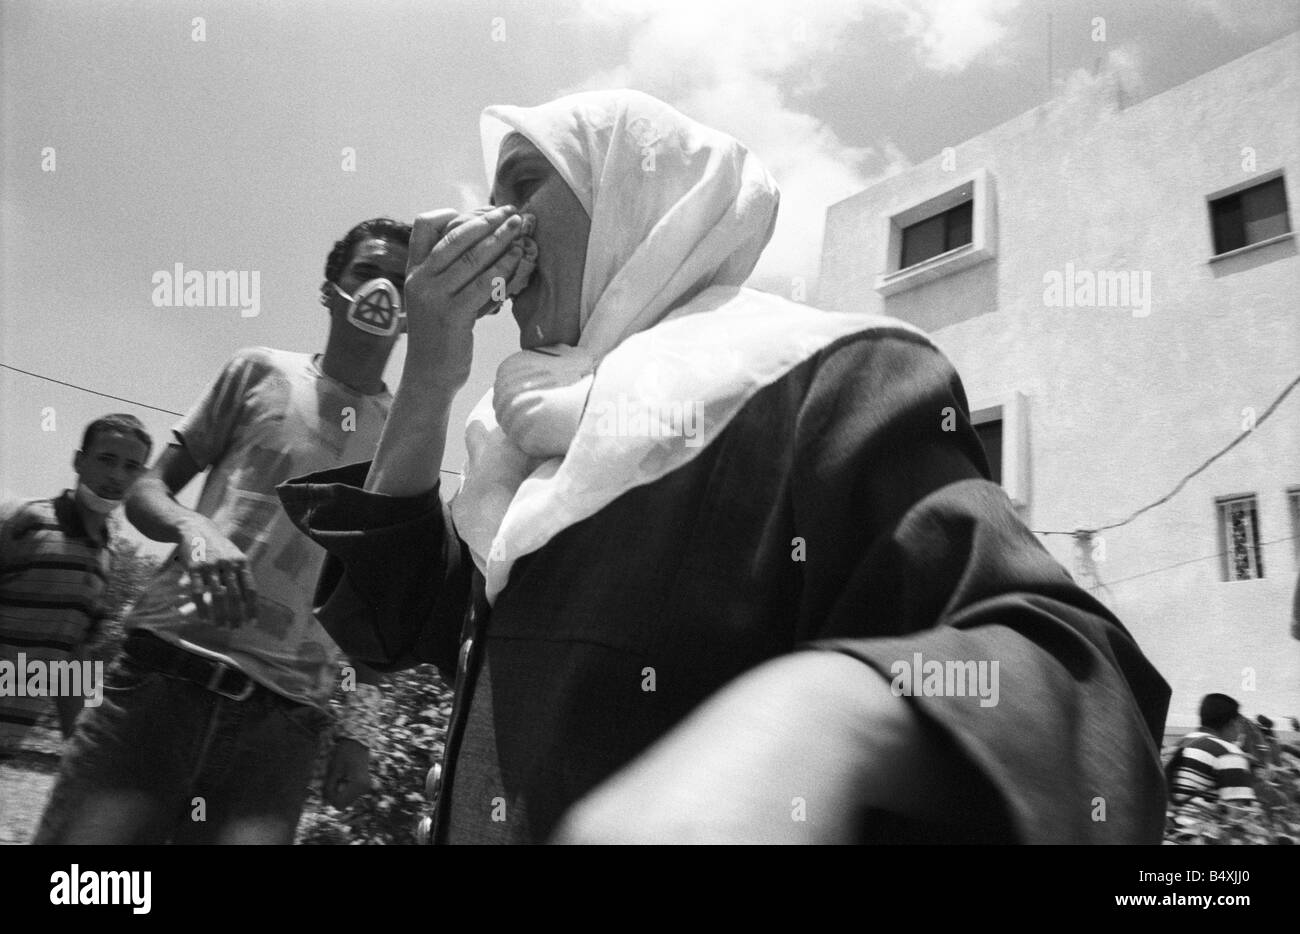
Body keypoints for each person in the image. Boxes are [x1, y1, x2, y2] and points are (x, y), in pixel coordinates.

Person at [279, 91, 1171, 844]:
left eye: (524, 183)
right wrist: (431, 378)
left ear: (636, 198)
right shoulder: (515, 452)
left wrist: (828, 717)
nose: (485, 226)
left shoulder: (822, 380)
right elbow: (388, 624)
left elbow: (1066, 664)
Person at [34, 218, 410, 844]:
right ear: (329, 289)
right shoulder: (258, 372)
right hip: (160, 681)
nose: (383, 291)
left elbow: (380, 603)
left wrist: (359, 732)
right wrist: (194, 529)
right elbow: (150, 489)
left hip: (282, 730)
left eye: (400, 282)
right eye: (366, 272)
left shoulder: (406, 439)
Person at [1, 415, 152, 749]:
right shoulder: (21, 521)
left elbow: (72, 655)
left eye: (131, 467)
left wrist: (79, 741)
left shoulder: (105, 556)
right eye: (106, 460)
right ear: (79, 461)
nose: (116, 476)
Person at [1166, 693, 1258, 821]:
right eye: (1239, 723)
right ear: (1232, 723)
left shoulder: (1178, 744)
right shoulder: (1229, 753)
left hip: (1165, 829)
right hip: (1198, 834)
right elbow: (1236, 816)